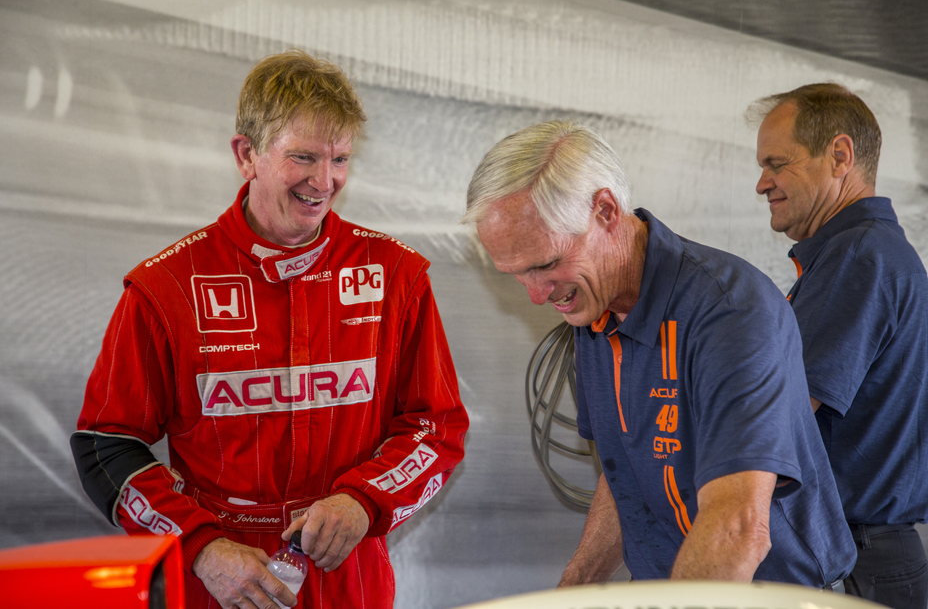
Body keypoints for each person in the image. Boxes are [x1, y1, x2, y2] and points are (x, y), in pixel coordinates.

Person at [70, 49, 469, 609]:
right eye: (303, 157)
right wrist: (202, 547)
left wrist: (362, 501)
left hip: (347, 575)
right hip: (221, 579)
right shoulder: (166, 287)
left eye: (340, 160)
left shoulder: (396, 275)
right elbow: (106, 447)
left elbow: (438, 425)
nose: (324, 181)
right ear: (246, 155)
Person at [463, 119, 855, 586]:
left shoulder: (730, 312)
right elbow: (626, 466)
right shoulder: (592, 312)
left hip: (768, 593)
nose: (536, 294)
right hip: (668, 588)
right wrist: (577, 587)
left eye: (547, 264)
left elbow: (739, 529)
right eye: (516, 273)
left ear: (606, 210)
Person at [750, 83, 928, 608]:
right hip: (858, 557)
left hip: (850, 562)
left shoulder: (858, 256)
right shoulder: (864, 253)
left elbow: (777, 417)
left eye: (776, 163)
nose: (762, 183)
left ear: (840, 156)